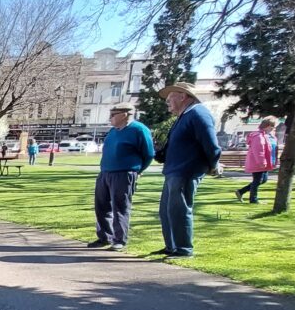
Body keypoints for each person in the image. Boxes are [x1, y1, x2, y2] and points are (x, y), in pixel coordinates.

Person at [156, 82, 221, 258]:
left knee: (179, 210)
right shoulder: (184, 116)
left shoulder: (198, 114)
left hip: (186, 170)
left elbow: (211, 145)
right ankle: (172, 246)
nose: (167, 102)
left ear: (183, 96)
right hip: (174, 170)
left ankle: (184, 249)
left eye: (170, 98)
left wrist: (213, 164)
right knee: (167, 211)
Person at [89, 105, 155, 252]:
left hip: (124, 173)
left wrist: (138, 170)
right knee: (101, 206)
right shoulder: (113, 131)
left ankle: (119, 240)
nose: (110, 117)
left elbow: (149, 153)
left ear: (125, 115)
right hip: (106, 172)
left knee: (120, 207)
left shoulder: (138, 129)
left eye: (113, 114)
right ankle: (104, 236)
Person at [236, 117, 280, 204]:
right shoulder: (259, 136)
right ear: (267, 126)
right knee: (258, 180)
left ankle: (241, 191)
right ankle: (253, 200)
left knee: (263, 180)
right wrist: (261, 162)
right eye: (273, 126)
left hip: (266, 163)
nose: (274, 128)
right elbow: (259, 151)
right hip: (257, 163)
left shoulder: (270, 136)